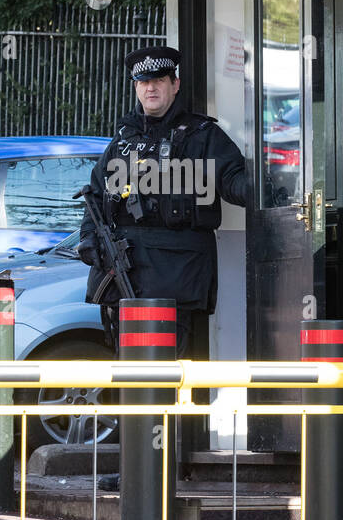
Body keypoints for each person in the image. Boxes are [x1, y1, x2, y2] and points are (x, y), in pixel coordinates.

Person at [77, 45, 250, 355]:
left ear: (175, 84)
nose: (151, 88)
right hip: (126, 274)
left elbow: (233, 179)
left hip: (176, 275)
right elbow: (97, 196)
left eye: (159, 80)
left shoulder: (201, 135)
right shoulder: (123, 140)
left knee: (165, 372)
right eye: (144, 82)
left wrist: (273, 191)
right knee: (130, 375)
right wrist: (89, 238)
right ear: (136, 87)